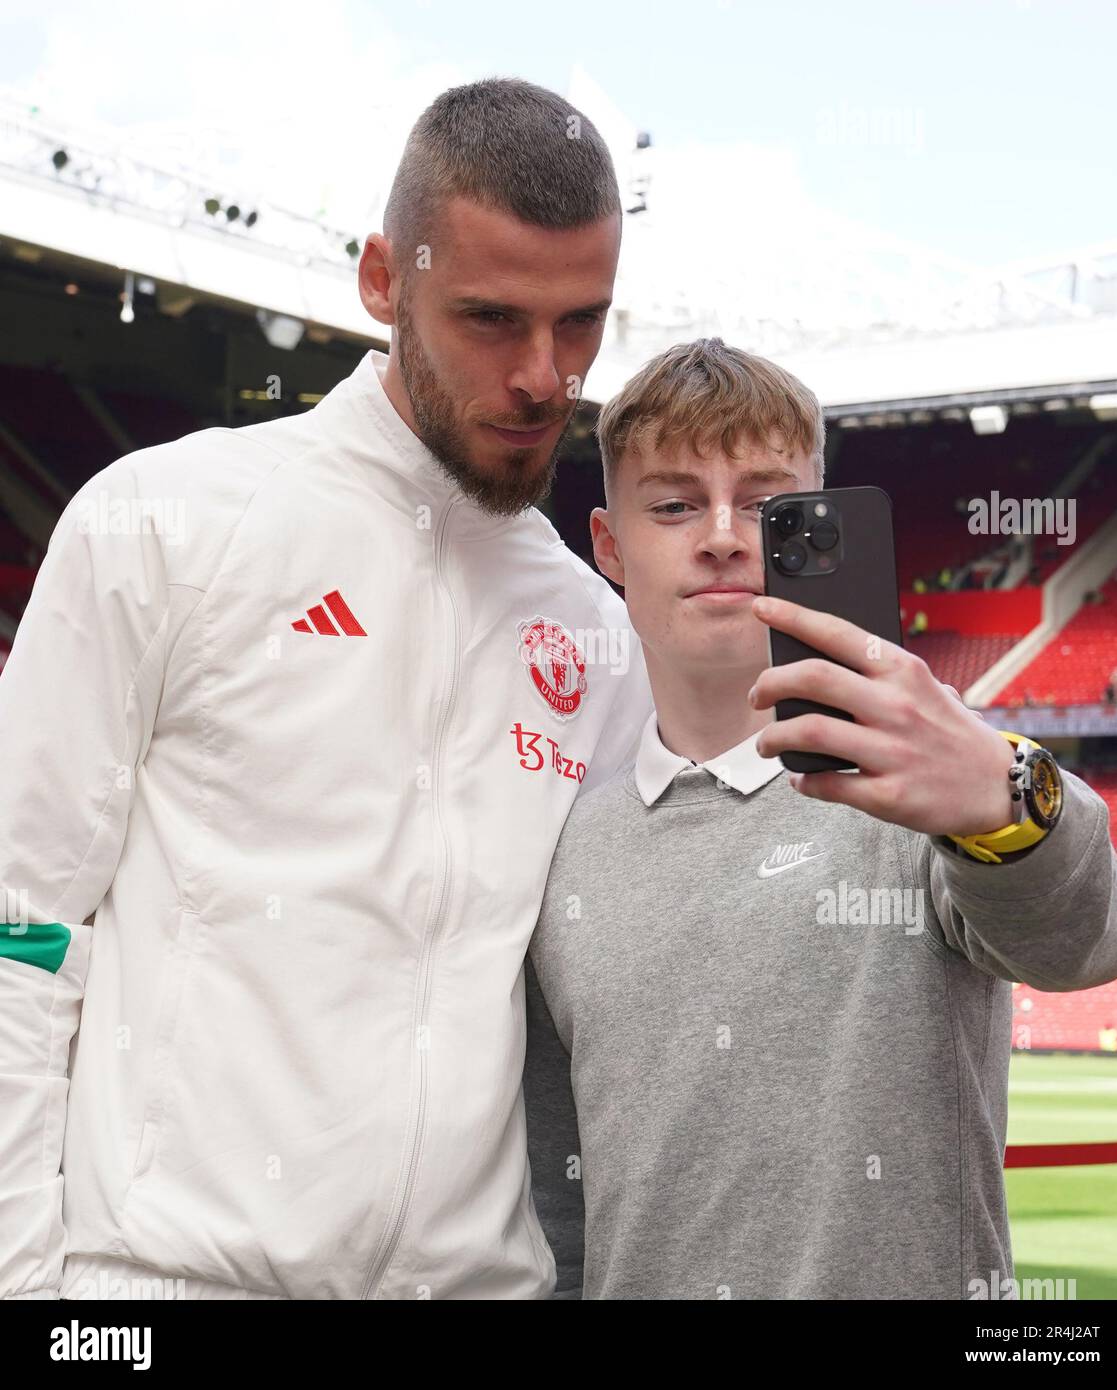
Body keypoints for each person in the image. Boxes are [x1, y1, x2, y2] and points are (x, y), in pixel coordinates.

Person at [0, 77, 655, 1302]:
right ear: (381, 282)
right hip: (164, 1285)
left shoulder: (595, 633)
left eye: (580, 323)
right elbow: (17, 928)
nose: (543, 376)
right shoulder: (165, 521)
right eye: (490, 318)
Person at [522, 337, 1117, 1300]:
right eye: (675, 504)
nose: (723, 536)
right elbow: (561, 1216)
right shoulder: (561, 850)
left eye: (767, 507)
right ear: (608, 546)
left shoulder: (927, 791)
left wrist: (1002, 793)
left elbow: (1085, 944)